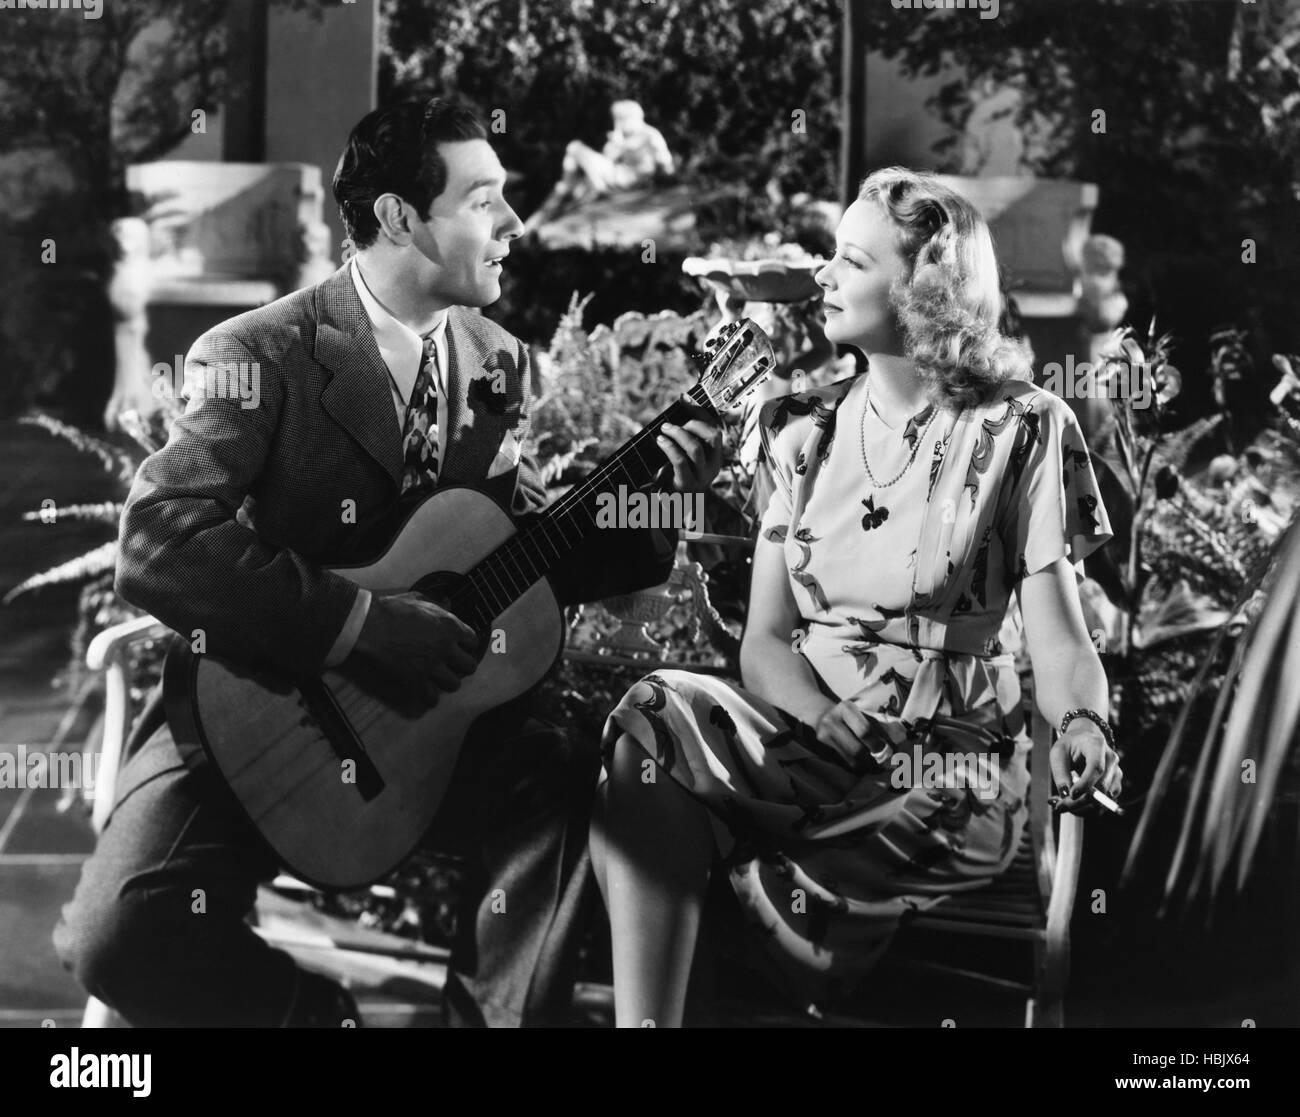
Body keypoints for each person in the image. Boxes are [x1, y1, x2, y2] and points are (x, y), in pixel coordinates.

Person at [53, 98, 722, 1028]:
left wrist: (662, 497)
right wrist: (360, 626)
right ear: (402, 218)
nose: (515, 225)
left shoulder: (499, 363)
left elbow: (516, 552)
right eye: (485, 200)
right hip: (257, 710)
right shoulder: (260, 353)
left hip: (420, 743)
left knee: (566, 774)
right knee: (117, 932)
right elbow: (158, 539)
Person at [589, 167, 1124, 1027]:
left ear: (923, 285)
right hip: (807, 741)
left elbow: (1060, 639)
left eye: (849, 261)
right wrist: (818, 713)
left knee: (697, 835)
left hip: (941, 765)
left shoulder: (1023, 427)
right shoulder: (798, 431)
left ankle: (785, 936)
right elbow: (764, 641)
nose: (822, 278)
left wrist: (1085, 729)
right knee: (652, 714)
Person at [521, 100, 675, 235]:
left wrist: (661, 180)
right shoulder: (626, 135)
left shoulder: (650, 135)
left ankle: (570, 182)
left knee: (574, 147)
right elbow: (608, 158)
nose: (619, 124)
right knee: (581, 177)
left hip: (628, 179)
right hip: (619, 176)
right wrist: (616, 142)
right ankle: (578, 186)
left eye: (620, 120)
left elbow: (666, 163)